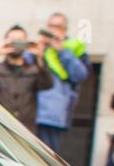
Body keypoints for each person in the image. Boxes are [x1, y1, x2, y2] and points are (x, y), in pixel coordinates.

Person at [32, 13, 89, 153]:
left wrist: (62, 51)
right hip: (29, 112)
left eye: (57, 26)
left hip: (52, 114)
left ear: (65, 30)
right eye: (50, 26)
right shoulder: (38, 48)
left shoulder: (73, 48)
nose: (52, 30)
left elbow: (80, 75)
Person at [0, 25, 53, 130]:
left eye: (21, 41)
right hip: (0, 127)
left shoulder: (33, 70)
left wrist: (39, 56)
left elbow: (48, 84)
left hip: (26, 129)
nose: (16, 44)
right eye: (12, 40)